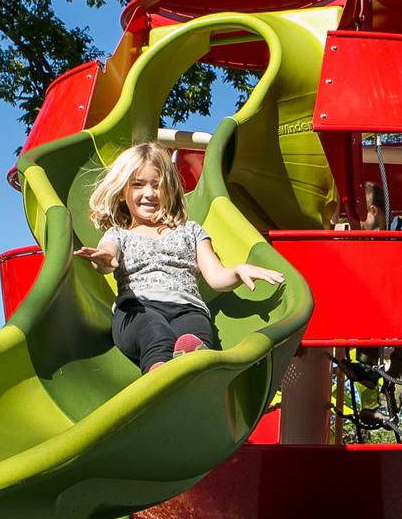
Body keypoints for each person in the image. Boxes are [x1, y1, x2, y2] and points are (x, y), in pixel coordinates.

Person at [73, 142, 284, 373]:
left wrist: (237, 271)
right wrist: (102, 259)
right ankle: (159, 379)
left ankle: (190, 369)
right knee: (155, 333)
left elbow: (215, 277)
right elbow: (107, 255)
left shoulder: (190, 231)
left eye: (157, 185)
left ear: (170, 189)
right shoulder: (118, 235)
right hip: (137, 311)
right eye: (138, 185)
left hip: (187, 310)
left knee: (193, 336)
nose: (149, 193)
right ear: (123, 193)